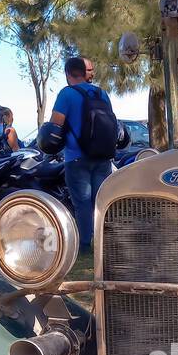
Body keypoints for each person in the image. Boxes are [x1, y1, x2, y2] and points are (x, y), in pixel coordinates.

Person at [48, 56, 118, 249]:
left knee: (83, 204)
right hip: (103, 156)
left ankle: (85, 245)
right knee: (100, 202)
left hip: (76, 157)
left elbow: (56, 125)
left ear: (68, 74)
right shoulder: (102, 93)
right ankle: (104, 243)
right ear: (84, 72)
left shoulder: (67, 94)